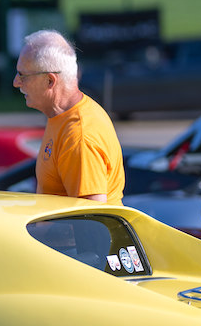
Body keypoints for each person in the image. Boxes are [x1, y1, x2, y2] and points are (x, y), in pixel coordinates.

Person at [14, 29, 124, 202]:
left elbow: (91, 215)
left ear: (50, 81)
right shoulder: (62, 116)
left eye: (23, 75)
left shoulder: (79, 136)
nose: (16, 82)